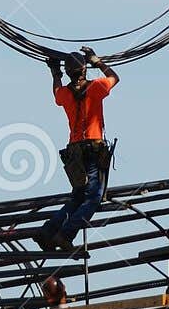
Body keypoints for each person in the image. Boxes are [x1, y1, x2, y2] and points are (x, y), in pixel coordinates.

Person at [34, 47, 118, 252]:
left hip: (74, 151)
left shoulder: (64, 94)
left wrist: (55, 73)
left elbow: (56, 91)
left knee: (79, 196)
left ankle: (49, 230)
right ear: (84, 70)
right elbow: (114, 77)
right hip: (92, 148)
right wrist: (97, 60)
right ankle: (65, 235)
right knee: (94, 198)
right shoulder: (97, 87)